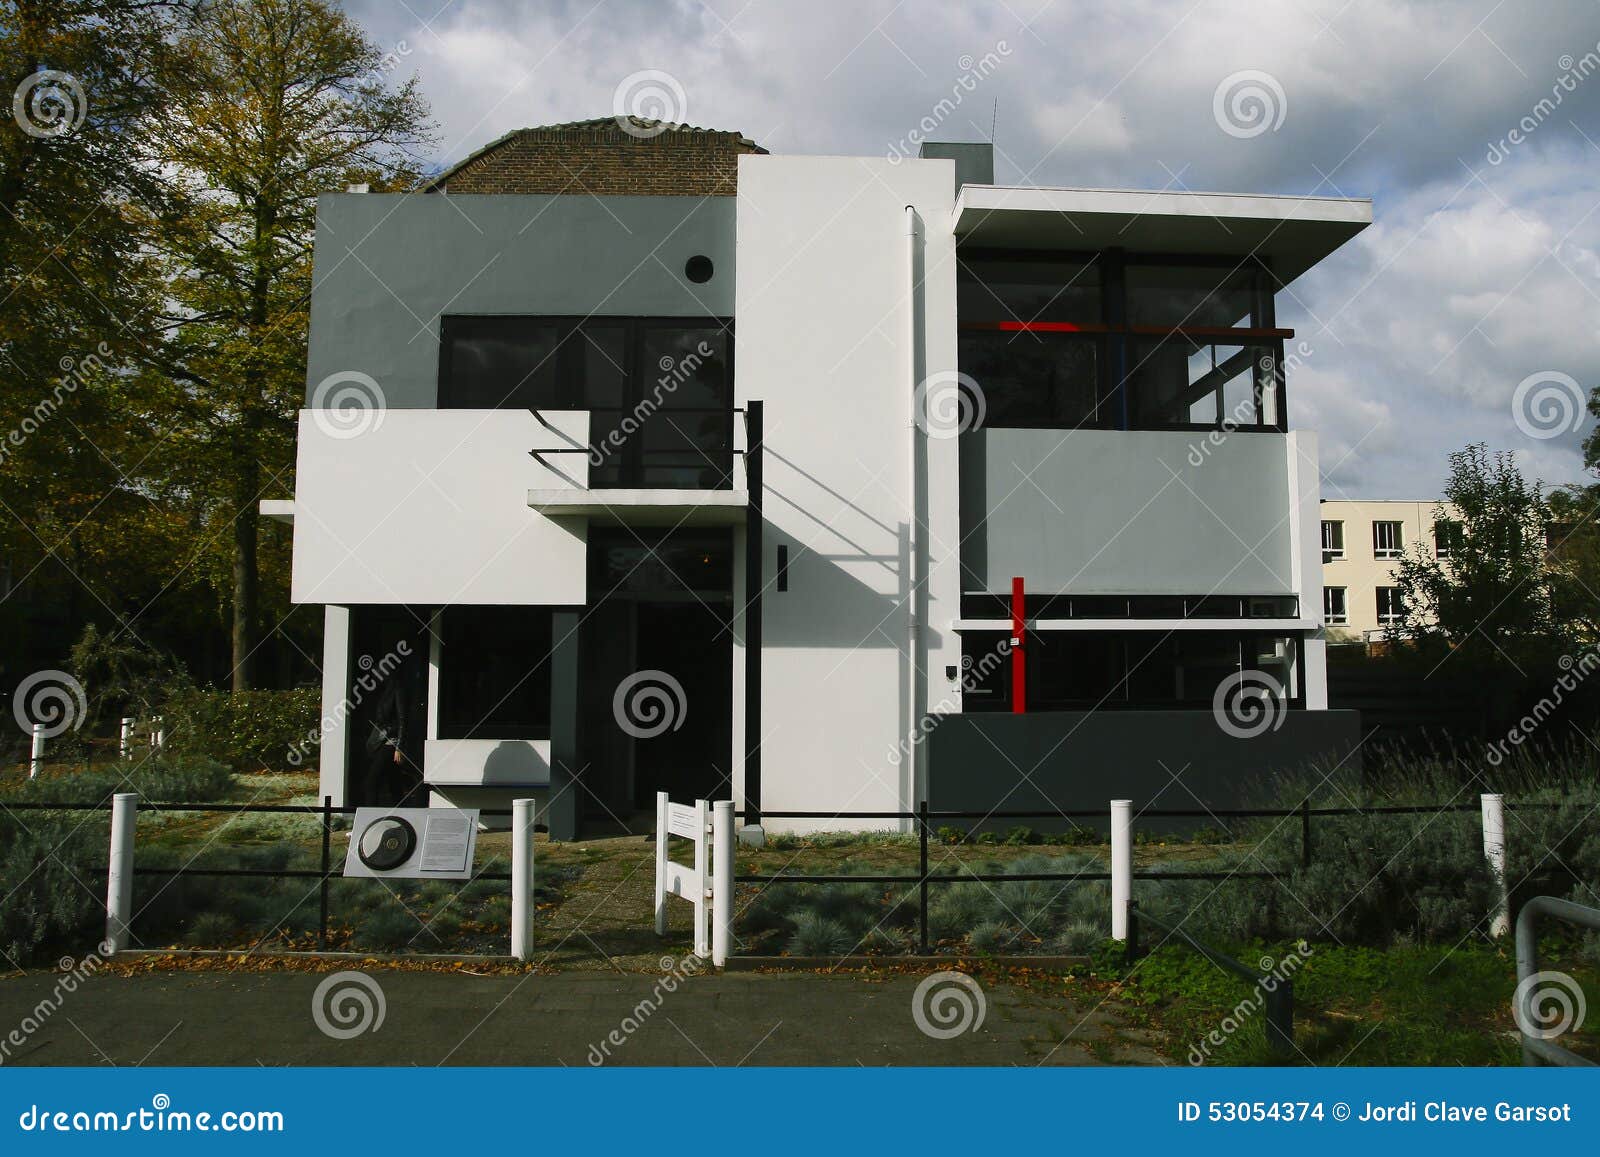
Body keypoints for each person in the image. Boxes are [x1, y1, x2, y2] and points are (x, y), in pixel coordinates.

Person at [360, 656, 425, 806]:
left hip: (391, 742)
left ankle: (371, 818)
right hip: (382, 741)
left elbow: (403, 719)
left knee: (372, 781)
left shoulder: (397, 689)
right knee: (393, 782)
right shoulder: (382, 691)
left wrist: (399, 747)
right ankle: (400, 814)